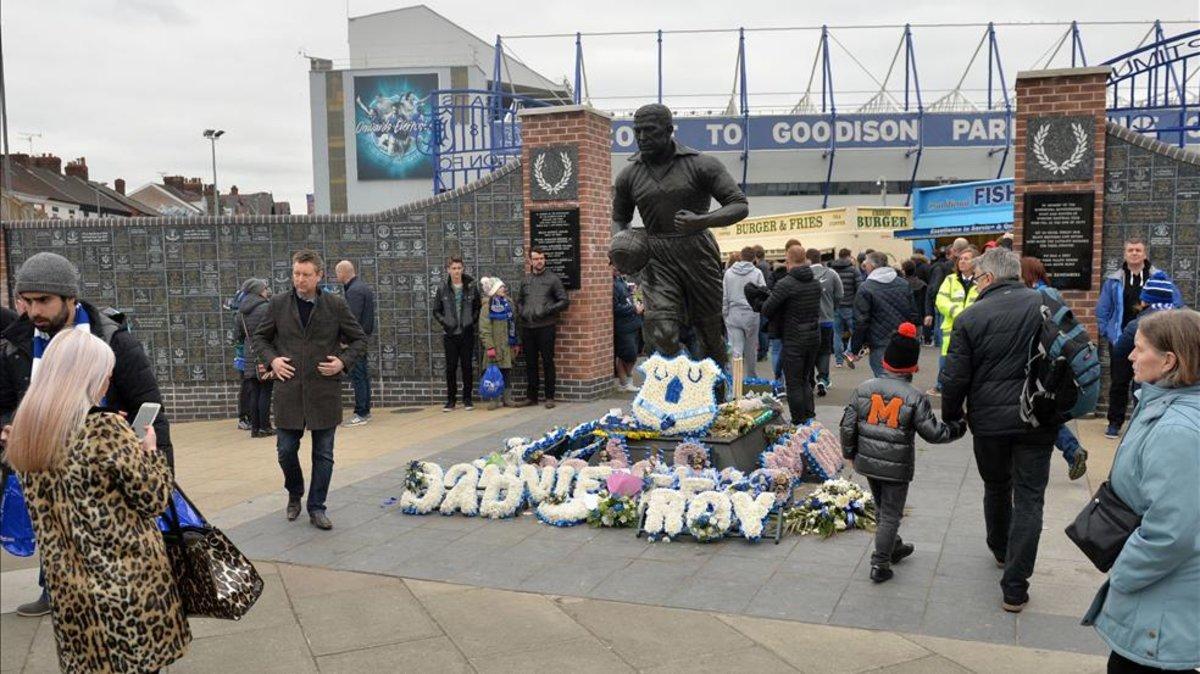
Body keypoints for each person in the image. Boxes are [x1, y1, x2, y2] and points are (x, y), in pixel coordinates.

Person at [0, 251, 174, 618]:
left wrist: (158, 470)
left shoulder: (113, 341)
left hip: (106, 474)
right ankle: (54, 589)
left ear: (70, 298)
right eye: (27, 301)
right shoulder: (13, 343)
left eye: (43, 301)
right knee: (58, 538)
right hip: (45, 469)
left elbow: (150, 408)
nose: (34, 312)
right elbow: (5, 401)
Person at [5, 330, 190, 672]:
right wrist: (148, 451)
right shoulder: (105, 430)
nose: (107, 384)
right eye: (105, 375)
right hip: (126, 589)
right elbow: (154, 499)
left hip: (70, 595)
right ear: (88, 377)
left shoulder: (27, 433)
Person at [1081, 309, 1200, 674]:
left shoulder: (1177, 430)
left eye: (1139, 349)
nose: (1130, 356)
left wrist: (1124, 573)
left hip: (1161, 611)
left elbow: (1170, 532)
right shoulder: (1165, 406)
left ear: (1168, 361)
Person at [939, 248, 1058, 613]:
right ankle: (1015, 587)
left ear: (988, 278)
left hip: (990, 422)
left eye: (976, 279)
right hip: (1039, 417)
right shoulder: (1046, 304)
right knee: (1030, 498)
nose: (974, 285)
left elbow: (955, 378)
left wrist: (952, 417)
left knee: (996, 485)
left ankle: (1002, 550)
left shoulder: (971, 318)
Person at [611, 103, 750, 379]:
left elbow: (739, 204)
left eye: (649, 131)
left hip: (697, 250)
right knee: (661, 330)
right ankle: (668, 395)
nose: (641, 137)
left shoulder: (701, 164)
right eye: (637, 131)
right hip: (657, 255)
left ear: (669, 130)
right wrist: (620, 245)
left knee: (707, 334)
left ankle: (713, 393)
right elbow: (620, 218)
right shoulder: (629, 173)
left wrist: (702, 220)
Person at [840, 322, 964, 583]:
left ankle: (892, 545)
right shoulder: (915, 397)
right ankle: (880, 563)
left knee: (883, 508)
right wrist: (959, 427)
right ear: (912, 367)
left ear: (885, 361)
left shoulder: (864, 388)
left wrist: (849, 453)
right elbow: (934, 433)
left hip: (868, 462)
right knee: (891, 514)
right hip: (896, 467)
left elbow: (848, 425)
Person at [253, 249, 367, 530]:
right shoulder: (279, 304)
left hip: (323, 391)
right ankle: (295, 492)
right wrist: (273, 360)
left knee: (324, 454)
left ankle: (317, 506)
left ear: (319, 276)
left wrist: (342, 361)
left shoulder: (335, 305)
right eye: (296, 274)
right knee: (285, 451)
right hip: (289, 391)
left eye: (305, 275)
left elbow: (359, 340)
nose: (299, 280)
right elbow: (259, 338)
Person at [1096, 238, 1181, 439]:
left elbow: (1176, 301)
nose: (1134, 253)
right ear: (1125, 254)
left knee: (1145, 384)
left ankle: (1140, 422)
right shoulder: (1114, 279)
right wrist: (1110, 334)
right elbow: (1103, 311)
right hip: (1121, 340)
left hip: (1151, 341)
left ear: (1144, 254)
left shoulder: (1159, 277)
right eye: (1130, 250)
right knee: (1119, 382)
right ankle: (1114, 423)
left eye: (1138, 250)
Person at [1020, 257, 1090, 480]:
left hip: (1038, 359)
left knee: (1038, 411)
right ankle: (1072, 450)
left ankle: (1070, 450)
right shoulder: (1053, 293)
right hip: (1054, 358)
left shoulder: (1032, 296)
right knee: (1045, 410)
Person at [757, 246, 821, 423]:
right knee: (806, 380)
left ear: (788, 261)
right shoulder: (815, 282)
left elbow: (767, 309)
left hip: (794, 338)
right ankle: (810, 417)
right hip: (814, 336)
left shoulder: (786, 284)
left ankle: (798, 420)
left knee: (793, 383)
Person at [848, 252, 918, 377]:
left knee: (883, 378)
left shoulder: (866, 287)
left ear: (872, 266)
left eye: (866, 264)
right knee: (903, 377)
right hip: (903, 339)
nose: (865, 267)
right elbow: (912, 313)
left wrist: (855, 348)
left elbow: (861, 321)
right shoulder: (903, 283)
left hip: (879, 342)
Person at [516, 247, 569, 409]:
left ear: (544, 260)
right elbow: (519, 300)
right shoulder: (525, 281)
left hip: (546, 326)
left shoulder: (553, 279)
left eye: (541, 258)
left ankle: (549, 396)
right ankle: (531, 397)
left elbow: (564, 301)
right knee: (530, 363)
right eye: (536, 259)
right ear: (530, 261)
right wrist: (522, 311)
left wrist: (548, 310)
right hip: (527, 326)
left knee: (547, 362)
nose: (539, 261)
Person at [433, 257, 482, 411]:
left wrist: (470, 321)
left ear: (463, 269)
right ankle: (451, 400)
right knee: (451, 367)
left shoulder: (471, 287)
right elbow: (436, 311)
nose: (456, 271)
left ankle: (467, 399)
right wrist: (445, 322)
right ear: (448, 270)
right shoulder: (442, 288)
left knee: (467, 367)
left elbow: (477, 308)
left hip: (466, 333)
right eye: (453, 268)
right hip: (450, 335)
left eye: (459, 268)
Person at [930, 247, 979, 396]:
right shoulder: (950, 279)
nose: (962, 261)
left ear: (976, 262)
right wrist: (958, 313)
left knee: (970, 363)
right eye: (960, 259)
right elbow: (940, 300)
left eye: (966, 258)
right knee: (946, 363)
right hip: (951, 330)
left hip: (973, 330)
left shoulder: (981, 280)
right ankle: (944, 388)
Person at [336, 260, 376, 426]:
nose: (336, 276)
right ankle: (365, 410)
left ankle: (361, 413)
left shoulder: (354, 291)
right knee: (363, 375)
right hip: (361, 338)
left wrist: (344, 340)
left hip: (355, 342)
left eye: (337, 273)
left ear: (344, 272)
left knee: (358, 375)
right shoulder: (361, 287)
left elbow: (351, 319)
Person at [239, 278, 275, 438]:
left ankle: (254, 428)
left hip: (249, 354)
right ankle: (265, 427)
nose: (267, 290)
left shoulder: (241, 311)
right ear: (259, 291)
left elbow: (238, 335)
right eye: (264, 288)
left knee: (254, 392)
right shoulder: (266, 307)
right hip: (264, 353)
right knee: (265, 391)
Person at [723, 247, 766, 378]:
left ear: (740, 257)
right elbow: (763, 293)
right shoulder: (757, 273)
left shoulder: (729, 273)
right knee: (751, 349)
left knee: (736, 349)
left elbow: (724, 296)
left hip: (733, 313)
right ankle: (752, 377)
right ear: (754, 258)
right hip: (751, 314)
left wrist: (725, 313)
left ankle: (736, 381)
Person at [807, 248, 843, 396]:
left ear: (808, 259)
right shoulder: (832, 274)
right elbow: (840, 294)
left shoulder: (805, 275)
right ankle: (823, 378)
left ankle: (809, 381)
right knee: (824, 351)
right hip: (826, 319)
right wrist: (832, 307)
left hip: (808, 321)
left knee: (809, 351)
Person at [478, 277, 519, 410]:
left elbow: (513, 323)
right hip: (494, 345)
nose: (504, 289)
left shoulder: (508, 304)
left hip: (506, 344)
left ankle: (507, 398)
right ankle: (494, 399)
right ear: (494, 290)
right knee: (494, 372)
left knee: (506, 371)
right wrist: (489, 345)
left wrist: (515, 342)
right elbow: (484, 328)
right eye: (501, 287)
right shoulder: (487, 306)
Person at [926, 238, 968, 352]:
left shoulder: (942, 267)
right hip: (959, 314)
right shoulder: (975, 274)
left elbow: (933, 289)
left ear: (954, 250)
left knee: (944, 345)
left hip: (945, 310)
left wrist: (929, 311)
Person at [612, 260, 643, 392]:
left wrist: (634, 296)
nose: (618, 268)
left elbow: (629, 298)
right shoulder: (611, 284)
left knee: (634, 354)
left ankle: (627, 381)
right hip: (623, 325)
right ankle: (624, 382)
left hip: (634, 323)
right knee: (626, 354)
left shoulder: (621, 280)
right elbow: (615, 307)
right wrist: (633, 309)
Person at [830, 248, 859, 367]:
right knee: (855, 332)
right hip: (850, 306)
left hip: (835, 306)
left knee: (837, 333)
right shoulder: (853, 270)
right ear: (848, 256)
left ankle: (838, 361)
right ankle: (848, 352)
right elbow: (860, 288)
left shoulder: (831, 271)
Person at [901, 260, 928, 348]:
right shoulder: (922, 285)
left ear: (904, 271)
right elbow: (925, 303)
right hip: (918, 318)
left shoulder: (901, 285)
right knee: (915, 344)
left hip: (903, 318)